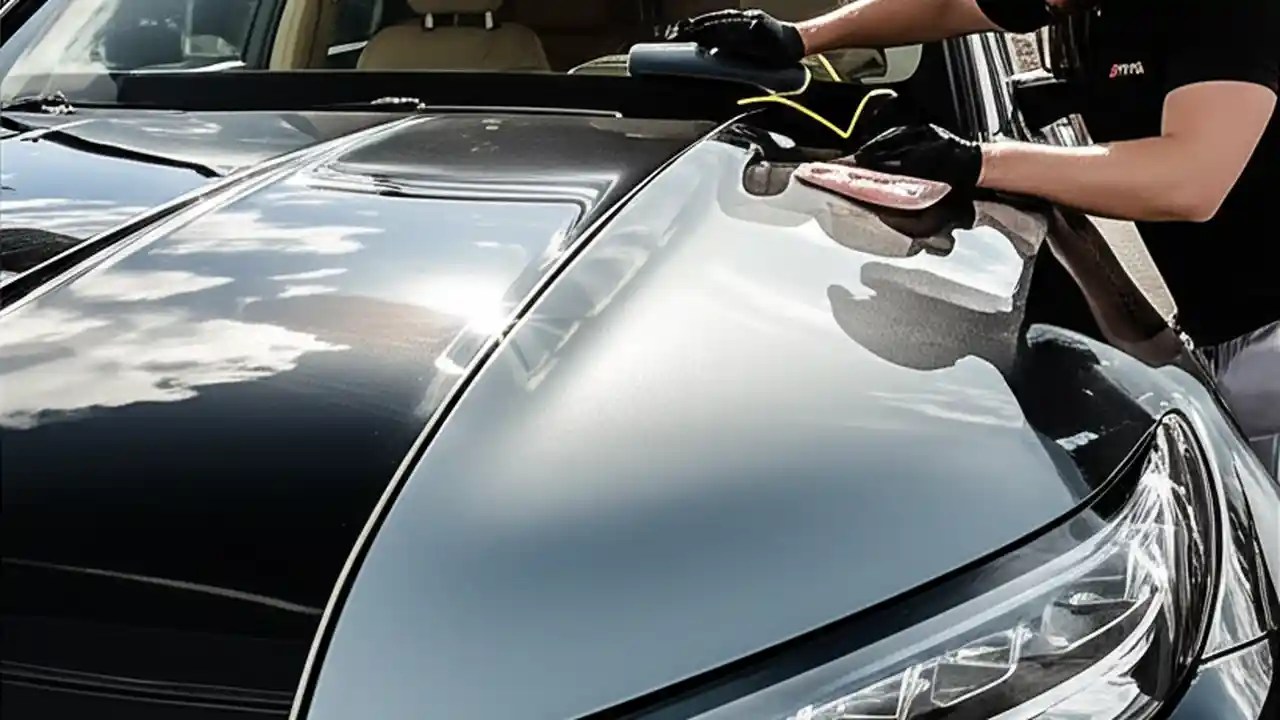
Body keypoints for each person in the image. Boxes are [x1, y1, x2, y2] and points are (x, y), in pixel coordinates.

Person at [669, 0, 1279, 467]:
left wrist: (978, 160)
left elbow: (1189, 180)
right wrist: (801, 37)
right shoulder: (1092, 8)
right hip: (1227, 330)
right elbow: (949, 7)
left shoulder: (1228, 10)